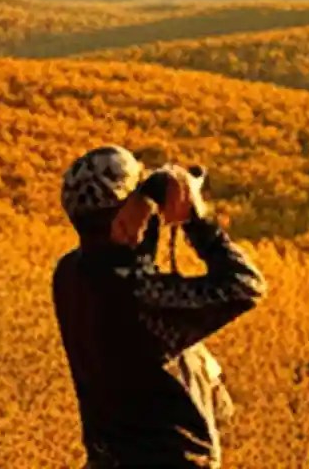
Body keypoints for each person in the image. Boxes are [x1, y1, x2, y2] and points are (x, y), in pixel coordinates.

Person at [52, 146, 268, 468]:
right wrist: (198, 221)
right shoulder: (140, 297)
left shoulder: (69, 275)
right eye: (139, 199)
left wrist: (147, 207)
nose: (149, 208)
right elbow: (245, 285)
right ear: (120, 226)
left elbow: (124, 260)